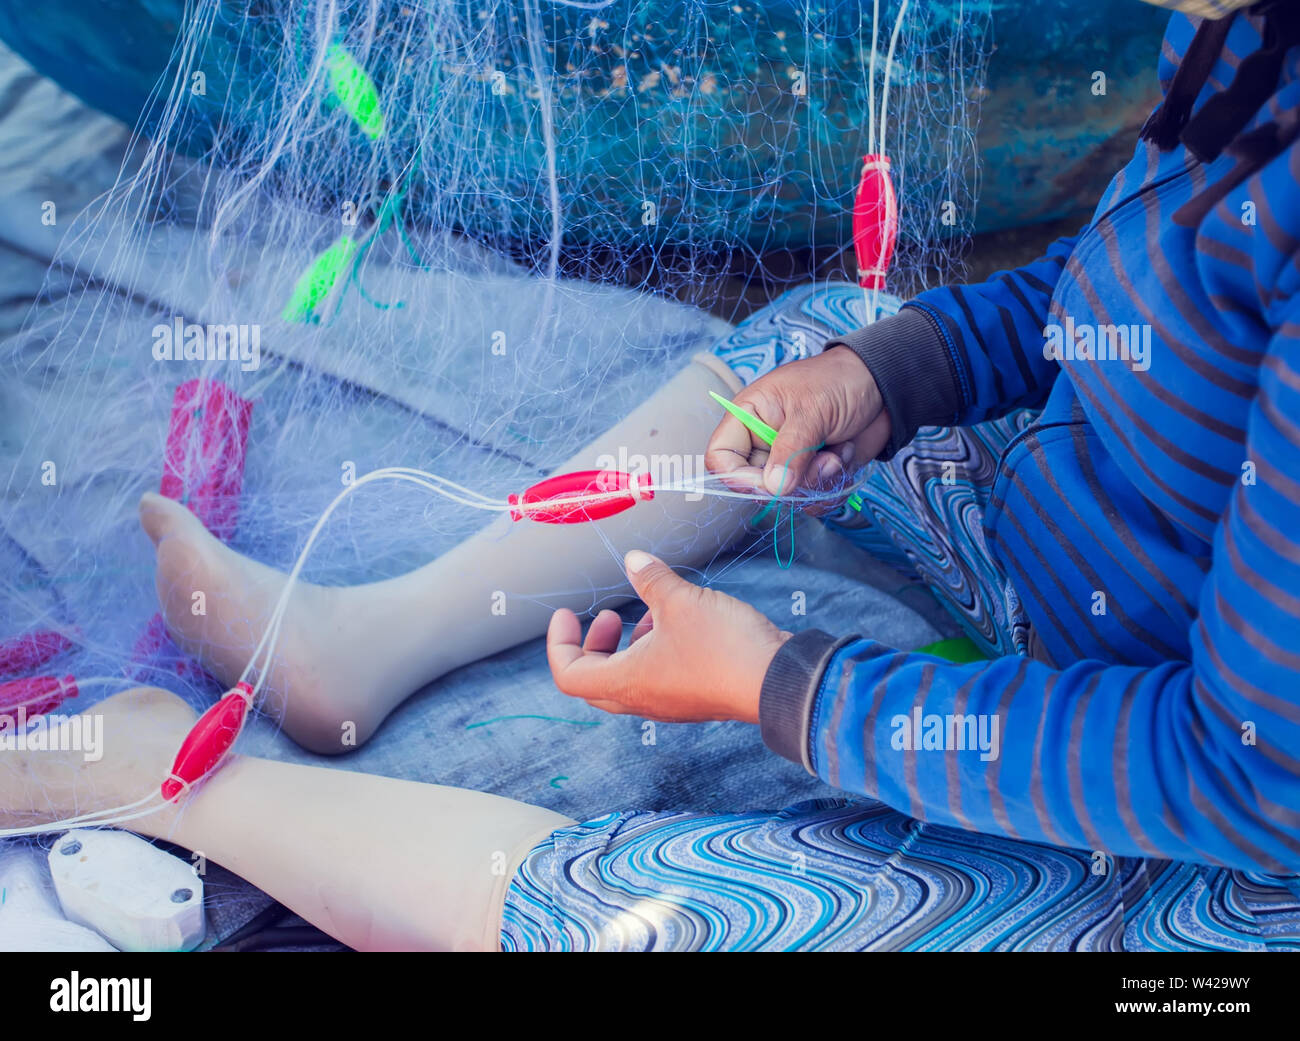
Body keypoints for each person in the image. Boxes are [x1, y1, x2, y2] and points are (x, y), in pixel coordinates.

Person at [6, 0, 1298, 950]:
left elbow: (1238, 777)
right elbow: (1104, 292)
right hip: (1049, 565)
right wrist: (888, 376)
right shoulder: (1245, 40)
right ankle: (370, 636)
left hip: (1206, 835)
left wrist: (781, 687)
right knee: (818, 338)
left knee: (705, 924)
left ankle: (174, 770)